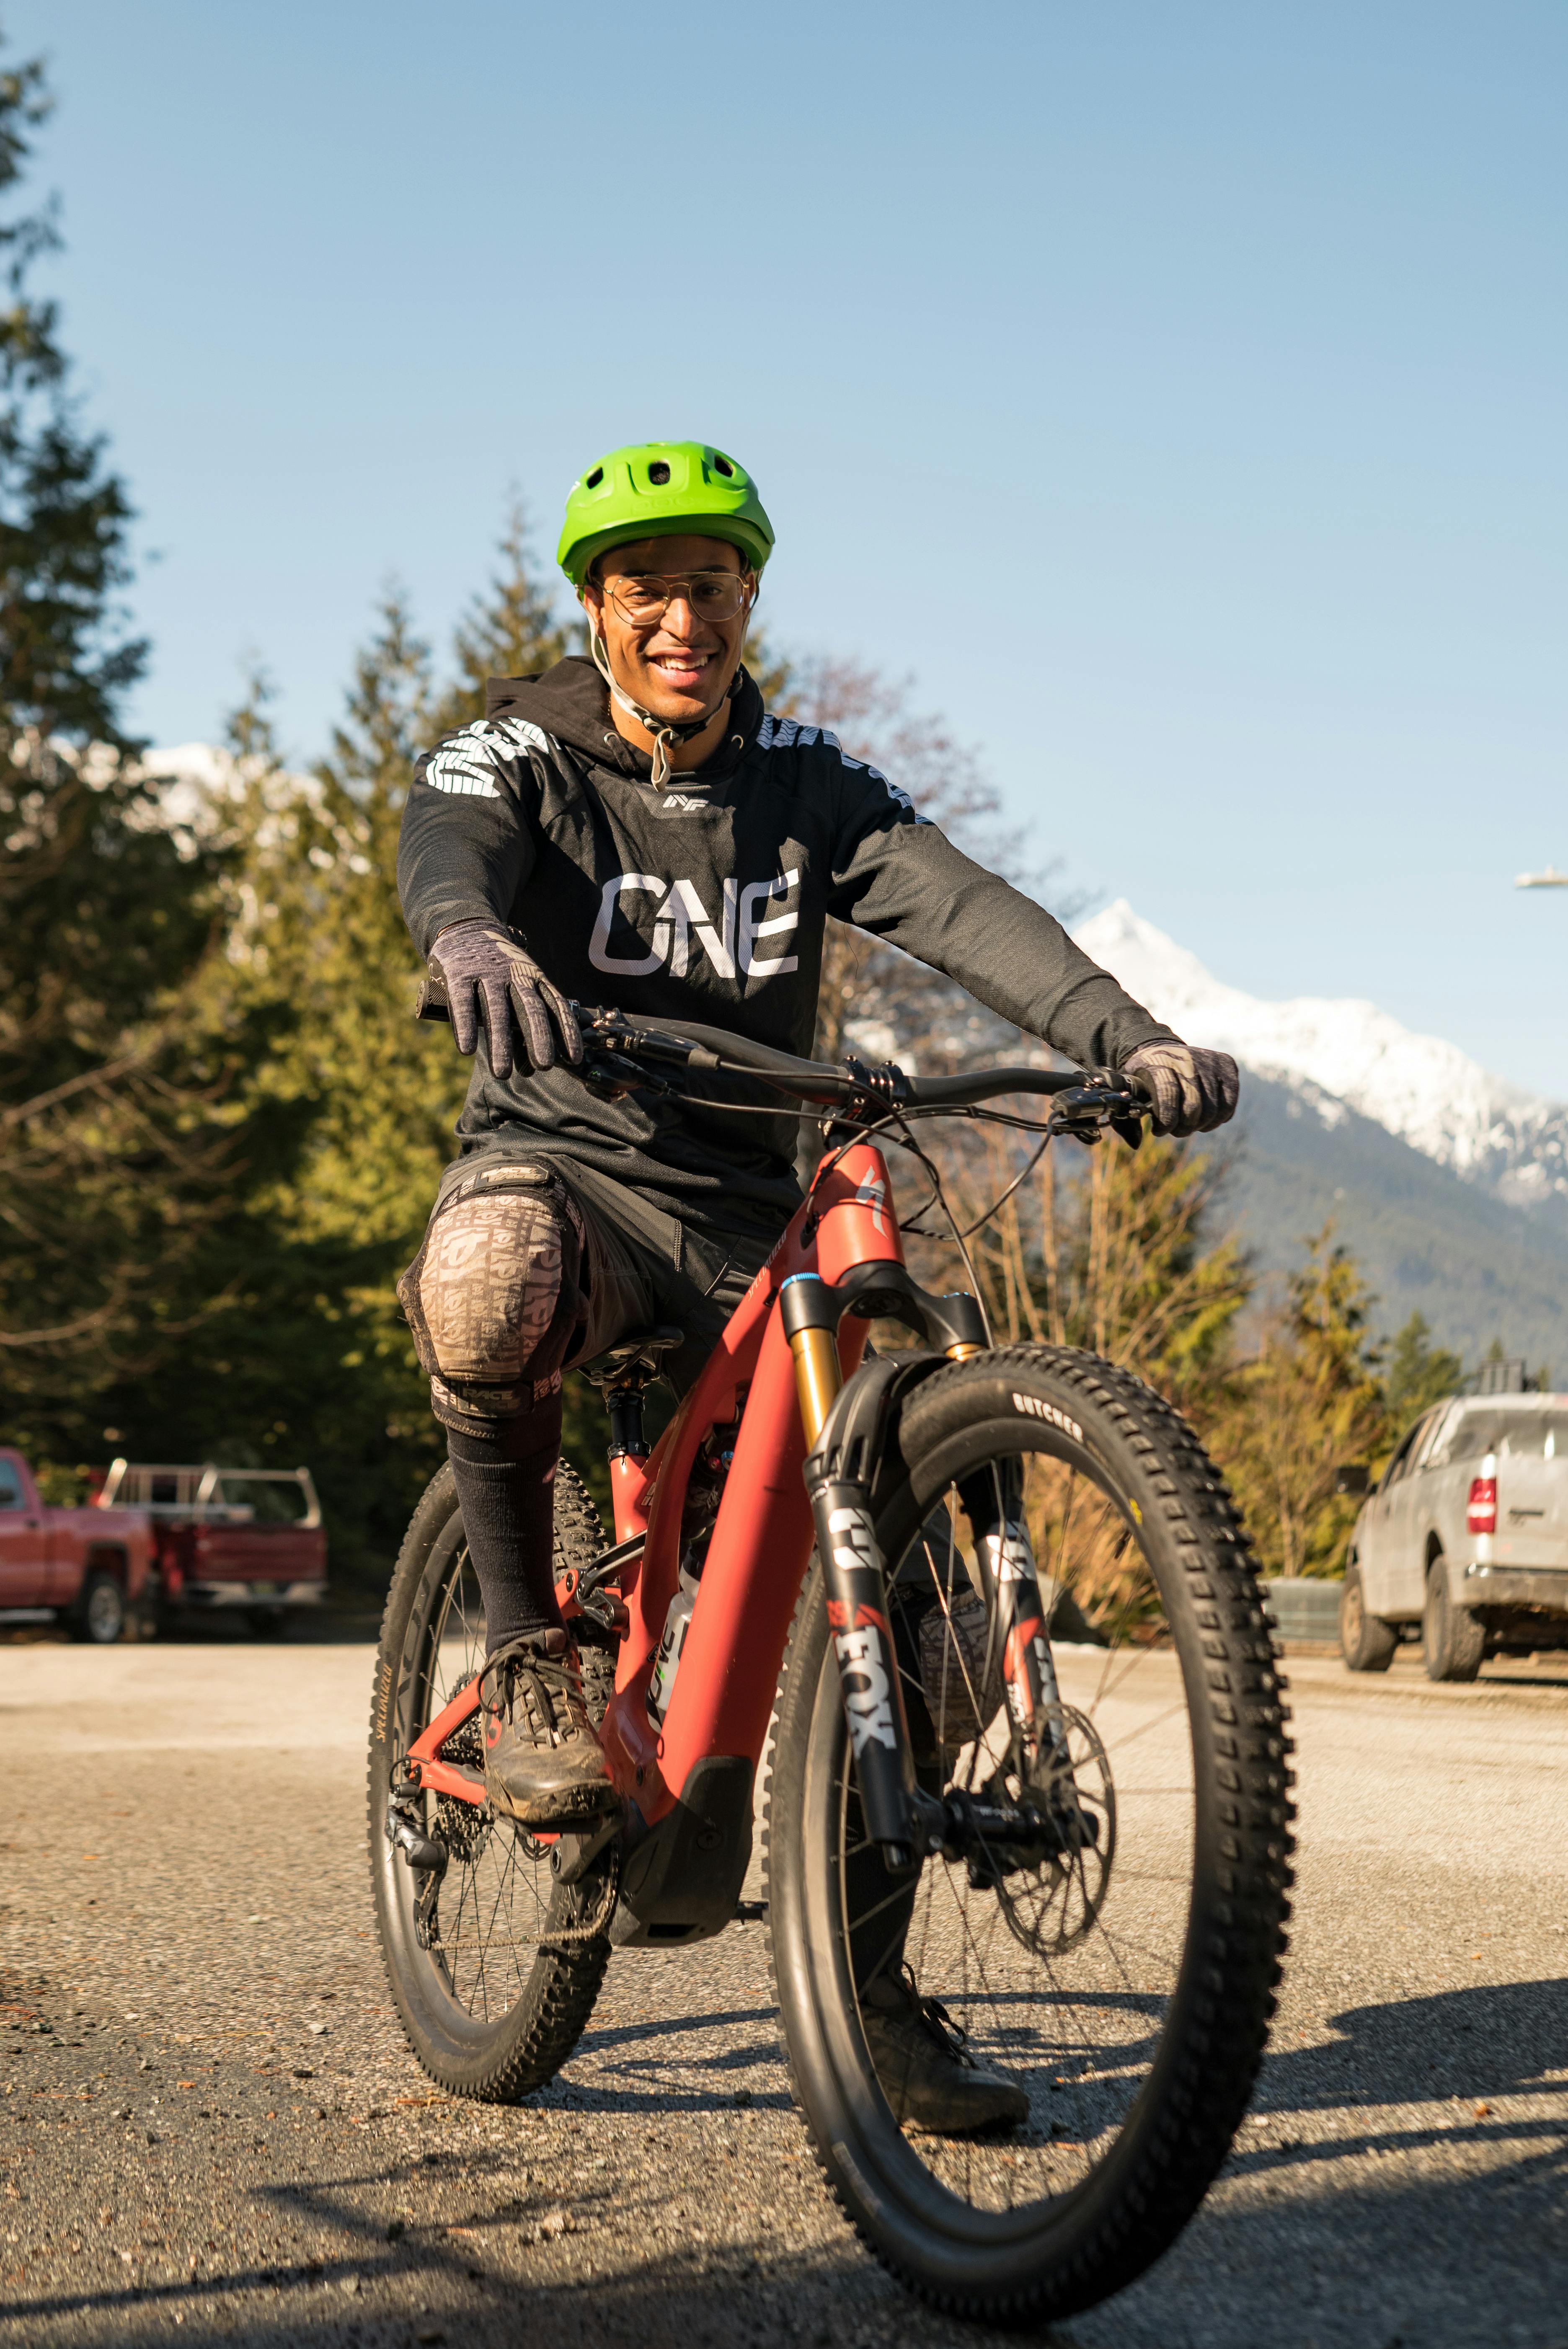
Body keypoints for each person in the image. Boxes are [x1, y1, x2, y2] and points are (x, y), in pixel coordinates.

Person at [396, 439, 1238, 2127]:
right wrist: (468, 939)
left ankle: (870, 1988)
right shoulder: (528, 737)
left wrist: (1120, 1036)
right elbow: (447, 842)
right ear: (599, 609)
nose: (679, 619)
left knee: (908, 1609)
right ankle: (530, 1656)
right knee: (486, 1275)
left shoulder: (807, 776)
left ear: (747, 599)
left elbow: (960, 902)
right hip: (570, 1171)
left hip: (743, 1206)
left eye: (710, 586)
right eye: (646, 592)